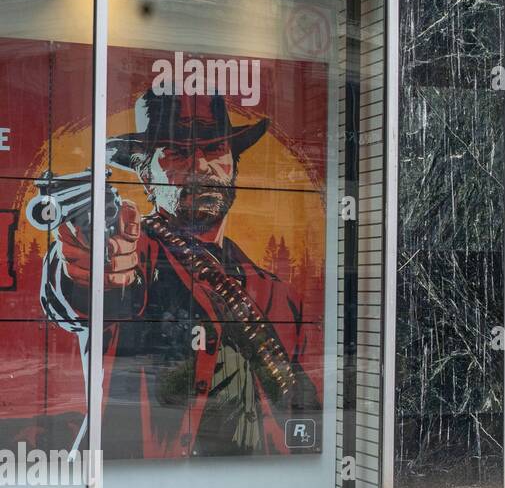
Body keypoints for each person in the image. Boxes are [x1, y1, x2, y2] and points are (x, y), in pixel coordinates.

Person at [42, 88, 321, 459]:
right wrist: (92, 272)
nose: (200, 167)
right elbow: (88, 285)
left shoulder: (277, 295)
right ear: (145, 176)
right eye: (176, 152)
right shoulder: (138, 251)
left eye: (214, 149)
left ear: (233, 164)